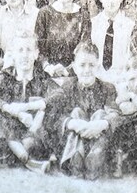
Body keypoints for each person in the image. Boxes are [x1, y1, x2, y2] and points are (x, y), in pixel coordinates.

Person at [48, 36, 118, 177]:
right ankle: (76, 157)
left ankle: (94, 157)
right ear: (74, 66)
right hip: (73, 137)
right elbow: (55, 116)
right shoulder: (67, 87)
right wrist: (72, 123)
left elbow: (114, 113)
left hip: (98, 138)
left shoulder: (107, 88)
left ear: (97, 66)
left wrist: (100, 124)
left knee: (100, 113)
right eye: (82, 65)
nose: (87, 70)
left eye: (91, 65)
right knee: (76, 112)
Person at [0, 31, 51, 164]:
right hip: (11, 129)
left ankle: (20, 153)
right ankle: (25, 158)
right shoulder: (6, 76)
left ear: (36, 54)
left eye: (28, 50)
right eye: (20, 50)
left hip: (32, 131)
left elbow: (58, 95)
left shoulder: (42, 77)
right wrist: (11, 110)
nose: (24, 55)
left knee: (44, 113)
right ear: (13, 54)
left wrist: (28, 107)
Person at [36, 0, 90, 74]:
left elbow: (85, 49)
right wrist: (48, 68)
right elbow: (38, 48)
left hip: (75, 74)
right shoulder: (44, 13)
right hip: (48, 74)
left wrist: (68, 70)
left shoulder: (83, 15)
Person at [90, 0, 136, 83]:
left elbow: (130, 59)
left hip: (120, 81)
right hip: (97, 81)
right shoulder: (93, 24)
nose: (111, 0)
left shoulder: (130, 26)